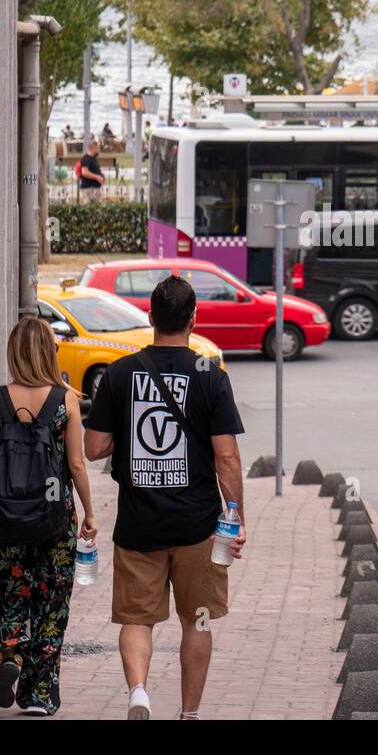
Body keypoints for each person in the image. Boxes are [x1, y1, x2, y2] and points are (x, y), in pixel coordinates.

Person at [84, 275, 247, 721]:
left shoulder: (119, 373)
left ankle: (138, 692)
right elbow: (227, 457)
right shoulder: (210, 376)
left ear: (151, 318)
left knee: (137, 620)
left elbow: (93, 448)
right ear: (193, 319)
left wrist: (128, 438)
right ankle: (189, 713)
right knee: (197, 619)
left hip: (139, 525)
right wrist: (235, 517)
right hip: (198, 526)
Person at [0, 317, 97, 715]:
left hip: (5, 515)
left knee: (11, 589)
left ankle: (10, 654)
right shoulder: (65, 400)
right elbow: (76, 463)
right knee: (51, 599)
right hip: (55, 516)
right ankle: (39, 694)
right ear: (48, 353)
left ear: (14, 352)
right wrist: (90, 513)